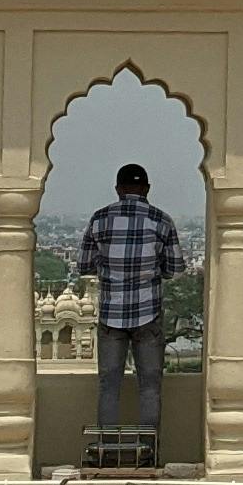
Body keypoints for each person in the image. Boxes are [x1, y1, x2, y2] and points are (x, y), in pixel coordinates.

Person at [78, 161, 182, 440]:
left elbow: (85, 266)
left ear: (118, 189)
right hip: (148, 314)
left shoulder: (100, 219)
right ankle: (147, 449)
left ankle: (107, 449)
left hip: (111, 314)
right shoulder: (161, 221)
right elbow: (173, 269)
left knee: (109, 385)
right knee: (149, 386)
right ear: (146, 189)